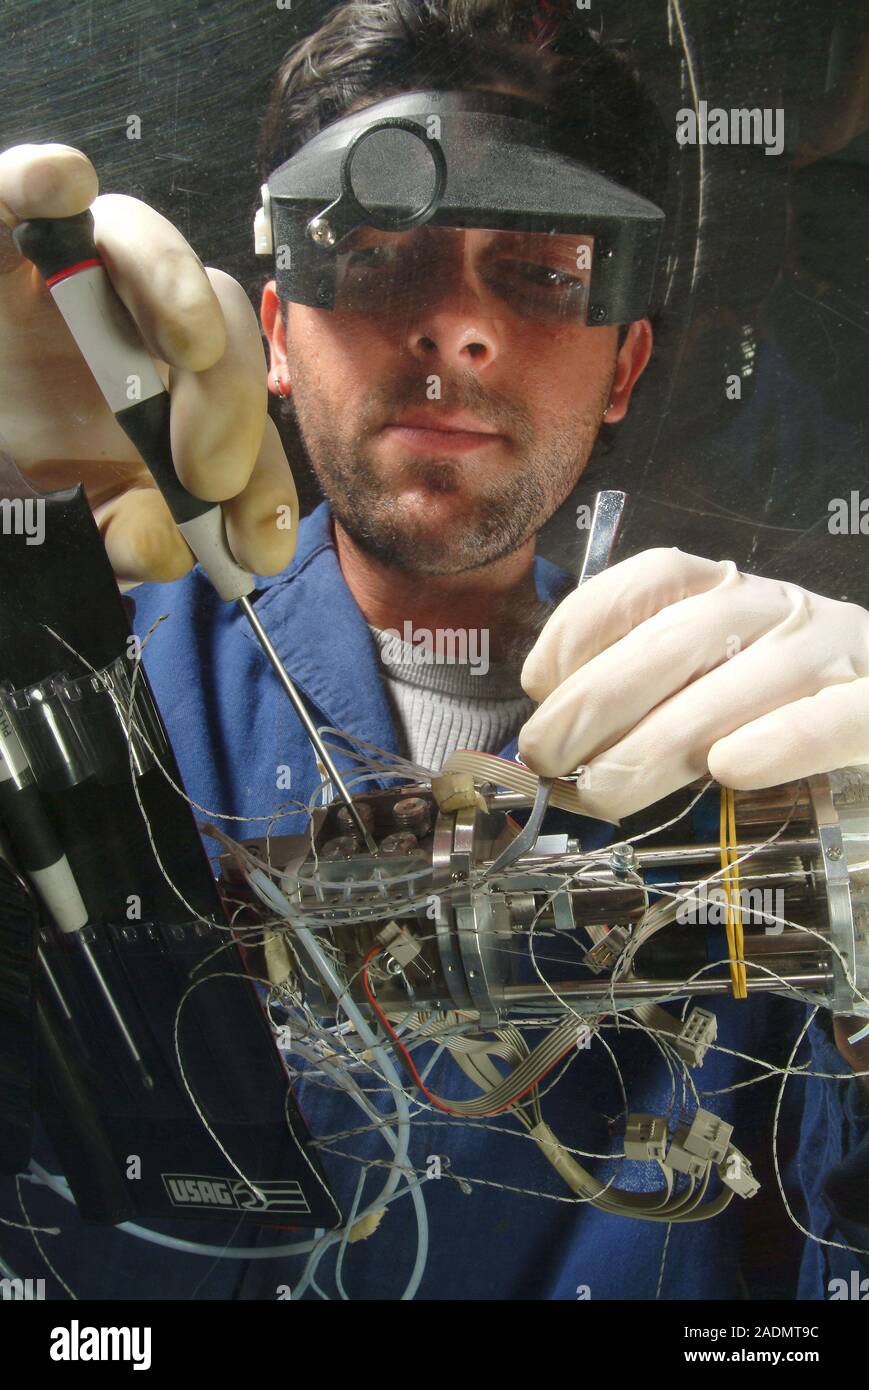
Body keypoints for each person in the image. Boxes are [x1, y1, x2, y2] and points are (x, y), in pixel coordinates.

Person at [0, 0, 867, 1300]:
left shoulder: (766, 751)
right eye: (373, 247)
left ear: (623, 362)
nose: (455, 329)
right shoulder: (88, 688)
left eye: (540, 269)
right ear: (272, 330)